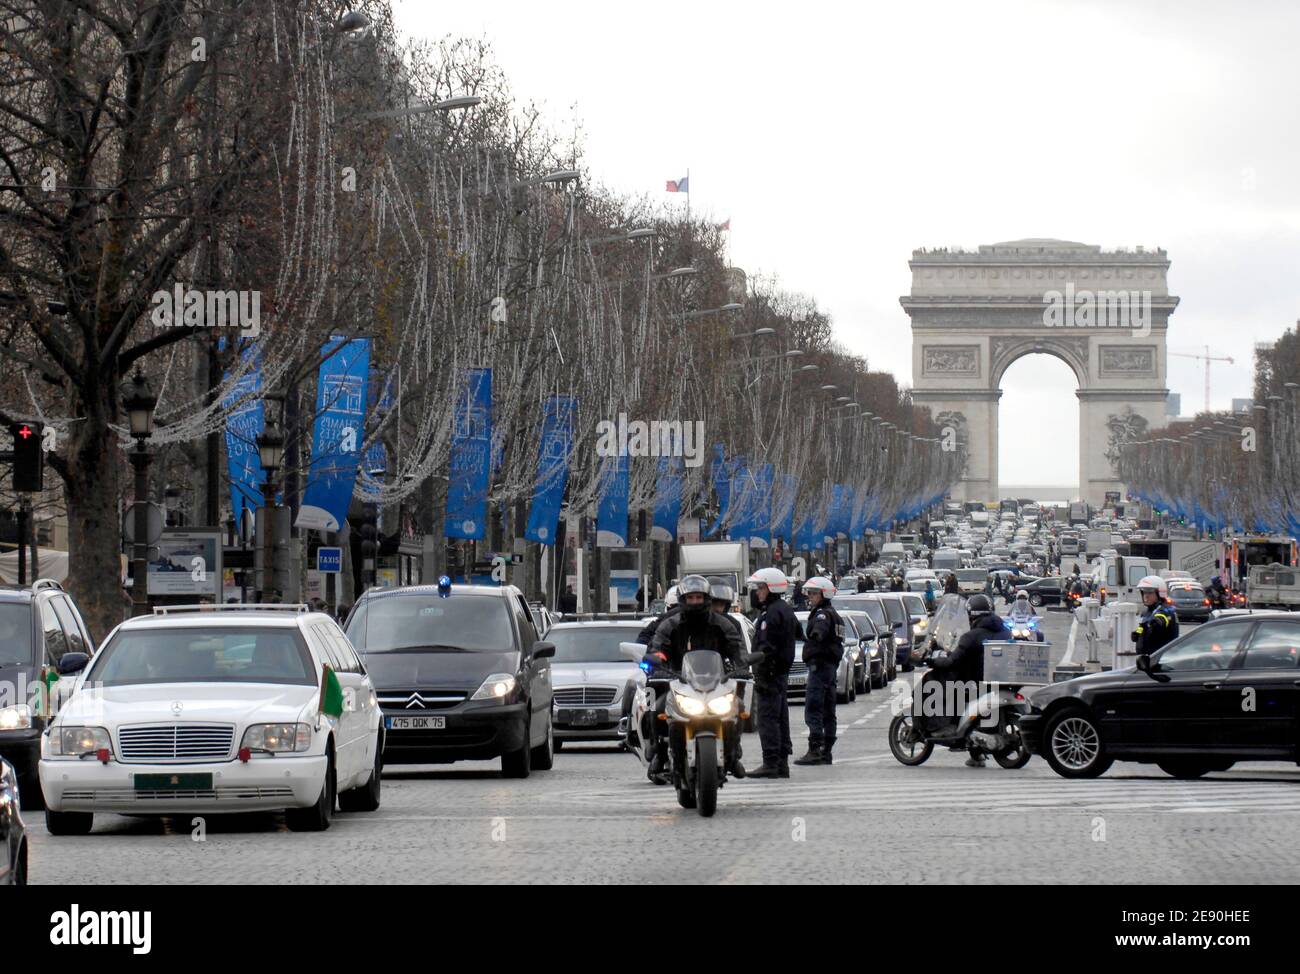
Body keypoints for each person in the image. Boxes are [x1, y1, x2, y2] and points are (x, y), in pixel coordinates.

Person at [645, 575, 745, 780]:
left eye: (699, 597)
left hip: (716, 682)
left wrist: (742, 664)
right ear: (683, 599)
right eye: (691, 598)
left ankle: (733, 754)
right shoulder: (670, 625)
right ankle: (660, 752)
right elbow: (658, 647)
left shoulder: (723, 624)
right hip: (679, 682)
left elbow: (737, 648)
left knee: (739, 707)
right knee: (657, 709)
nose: (695, 602)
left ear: (707, 598)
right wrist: (658, 663)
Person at [923, 593, 1006, 767]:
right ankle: (976, 754)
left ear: (972, 615)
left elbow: (952, 661)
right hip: (996, 681)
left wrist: (932, 661)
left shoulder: (971, 636)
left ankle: (946, 728)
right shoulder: (1005, 631)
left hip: (973, 682)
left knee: (939, 685)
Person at [745, 567, 797, 779]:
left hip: (770, 672)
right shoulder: (783, 609)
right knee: (780, 717)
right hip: (780, 672)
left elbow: (767, 647)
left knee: (767, 718)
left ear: (771, 588)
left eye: (760, 588)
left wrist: (754, 659)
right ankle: (782, 762)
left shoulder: (772, 614)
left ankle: (771, 762)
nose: (757, 593)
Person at [794, 577, 844, 766]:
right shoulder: (834, 614)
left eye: (814, 594)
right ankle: (827, 751)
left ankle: (815, 749)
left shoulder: (823, 614)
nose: (810, 597)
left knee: (814, 707)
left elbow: (820, 630)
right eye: (810, 593)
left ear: (824, 594)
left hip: (820, 667)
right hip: (829, 668)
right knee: (828, 710)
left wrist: (816, 634)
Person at [1132, 575, 1179, 656]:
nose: (1146, 596)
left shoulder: (1165, 610)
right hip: (1147, 658)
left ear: (1159, 593)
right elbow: (1143, 625)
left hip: (1162, 658)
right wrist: (1138, 633)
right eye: (1144, 592)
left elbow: (1163, 619)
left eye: (1150, 592)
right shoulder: (1148, 611)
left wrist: (1157, 622)